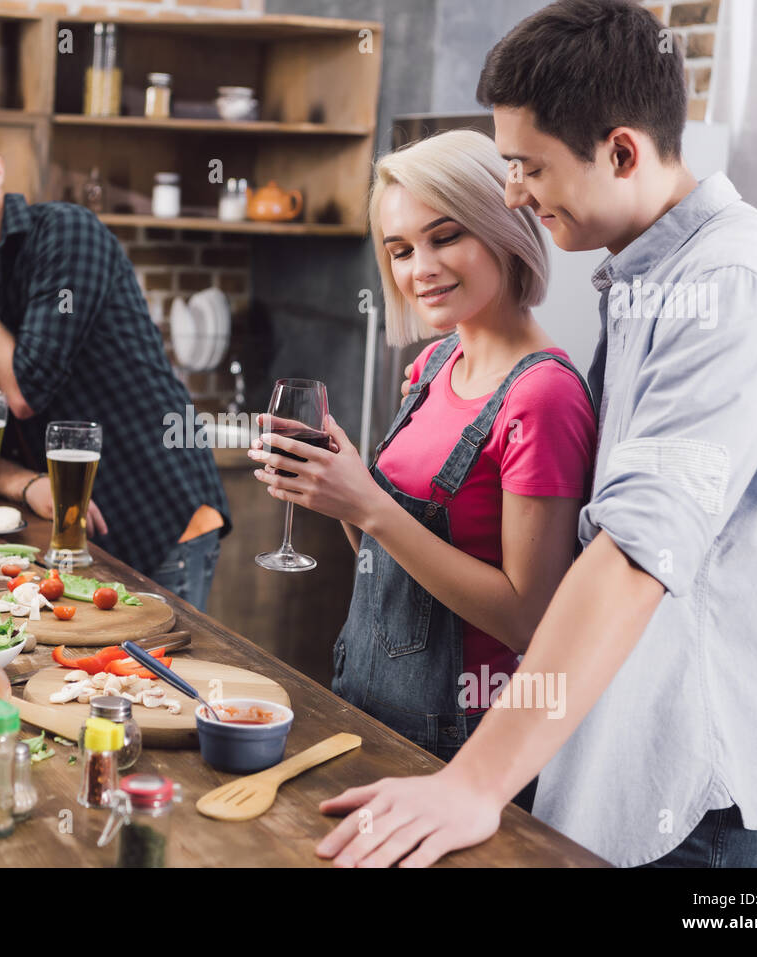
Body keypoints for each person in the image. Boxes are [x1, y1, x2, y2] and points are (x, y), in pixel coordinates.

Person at [315, 0, 757, 869]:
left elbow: (634, 550)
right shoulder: (644, 279)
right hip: (636, 763)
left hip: (711, 797)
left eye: (527, 166)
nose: (515, 192)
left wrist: (475, 780)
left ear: (622, 152)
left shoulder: (732, 288)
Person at [250, 130, 597, 815]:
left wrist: (369, 504)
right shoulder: (434, 365)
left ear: (503, 225)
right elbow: (387, 559)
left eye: (445, 236)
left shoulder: (543, 395)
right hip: (369, 698)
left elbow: (530, 617)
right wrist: (342, 491)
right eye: (401, 249)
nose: (421, 268)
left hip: (463, 737)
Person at [0, 111, 231, 611]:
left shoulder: (64, 232)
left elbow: (22, 392)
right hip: (69, 539)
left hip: (159, 520)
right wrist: (27, 482)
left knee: (162, 681)